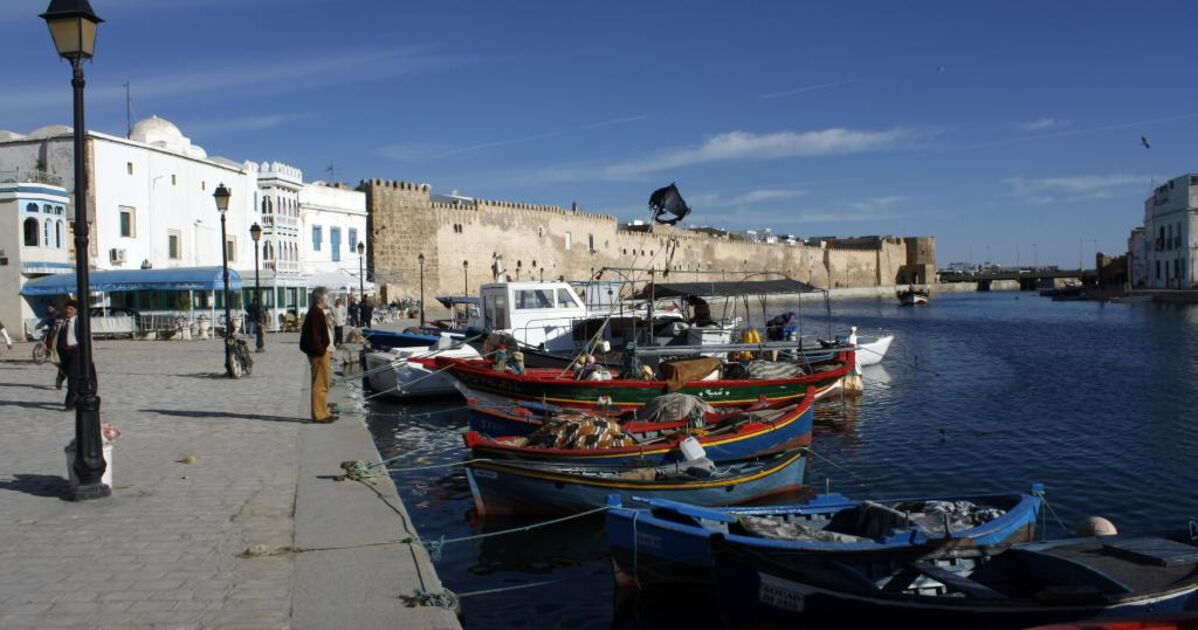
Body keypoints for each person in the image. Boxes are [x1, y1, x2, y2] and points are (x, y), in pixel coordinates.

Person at [300, 287, 337, 423]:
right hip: (320, 354)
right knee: (320, 384)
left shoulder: (317, 312)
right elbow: (315, 336)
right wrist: (321, 350)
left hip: (322, 352)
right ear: (321, 299)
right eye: (327, 298)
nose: (328, 300)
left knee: (324, 383)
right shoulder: (316, 314)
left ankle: (324, 411)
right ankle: (319, 414)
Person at [56, 300, 95, 410]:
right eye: (67, 308)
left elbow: (87, 339)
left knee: (72, 379)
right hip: (65, 353)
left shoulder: (80, 323)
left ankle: (70, 403)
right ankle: (78, 398)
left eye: (71, 309)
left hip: (77, 352)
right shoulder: (62, 322)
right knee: (69, 375)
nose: (68, 311)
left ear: (76, 311)